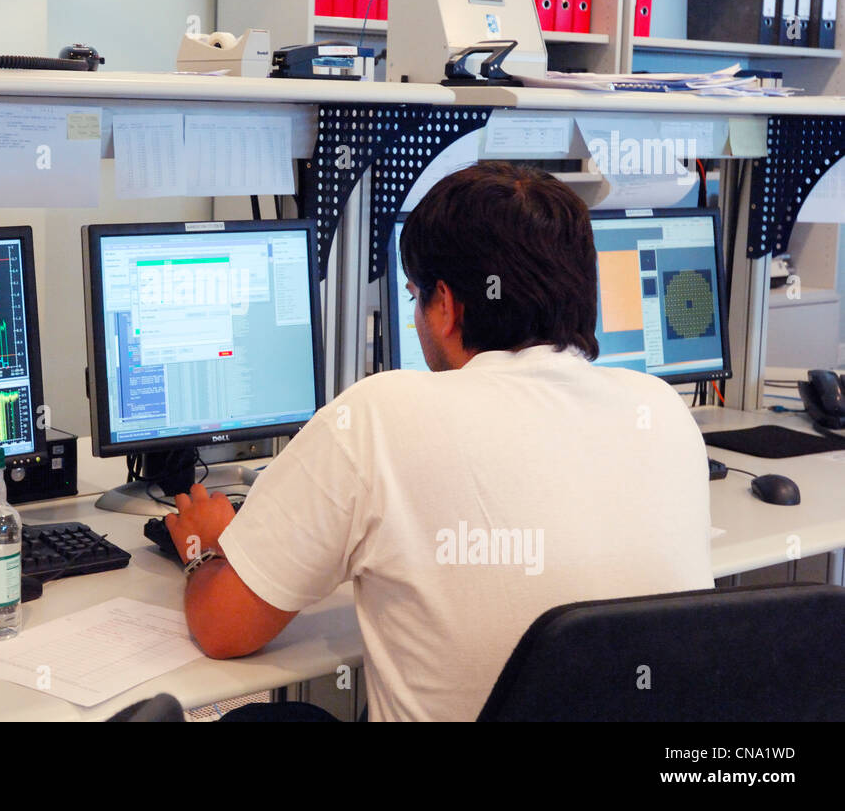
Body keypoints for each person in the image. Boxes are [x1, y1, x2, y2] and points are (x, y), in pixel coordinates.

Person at [166, 162, 714, 721]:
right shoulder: (661, 408)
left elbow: (223, 629)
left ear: (446, 306)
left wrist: (203, 549)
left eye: (415, 297)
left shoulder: (380, 416)